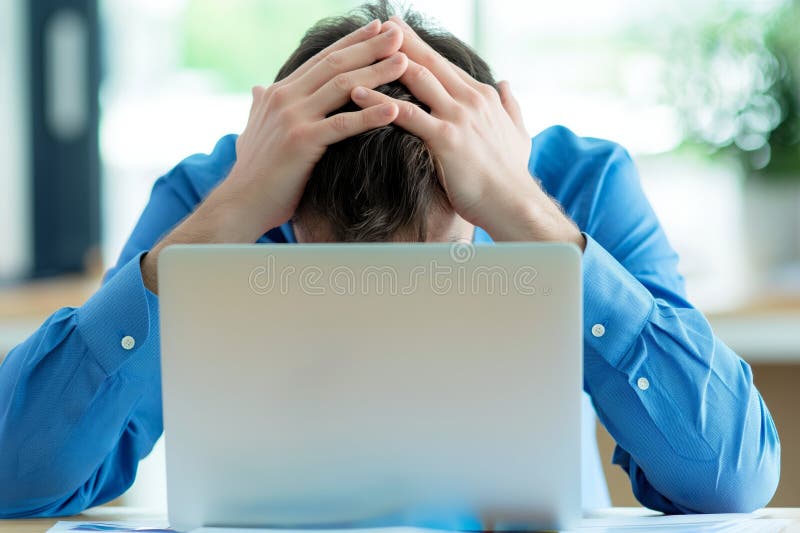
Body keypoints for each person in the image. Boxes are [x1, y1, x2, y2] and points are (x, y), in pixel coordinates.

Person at [0, 0, 780, 518]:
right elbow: (17, 471)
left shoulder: (576, 188)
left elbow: (729, 477)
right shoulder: (216, 200)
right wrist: (223, 223)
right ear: (289, 195)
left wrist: (531, 220)